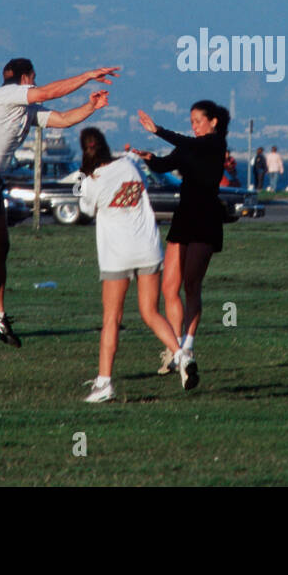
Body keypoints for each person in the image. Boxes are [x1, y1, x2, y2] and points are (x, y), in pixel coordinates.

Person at [0, 58, 117, 346]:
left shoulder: (26, 110)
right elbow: (48, 93)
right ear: (26, 78)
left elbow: (62, 120)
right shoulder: (6, 94)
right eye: (34, 78)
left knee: (0, 246)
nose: (36, 83)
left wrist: (91, 107)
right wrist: (88, 75)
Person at [77, 128, 190, 402]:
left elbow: (86, 210)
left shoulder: (93, 180)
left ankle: (104, 383)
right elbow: (144, 188)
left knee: (112, 319)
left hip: (117, 254)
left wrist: (83, 179)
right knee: (150, 311)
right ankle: (181, 354)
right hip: (148, 248)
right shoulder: (128, 165)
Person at [132, 100, 231, 389]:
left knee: (191, 284)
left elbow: (188, 143)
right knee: (168, 287)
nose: (194, 125)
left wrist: (157, 130)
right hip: (184, 218)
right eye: (191, 120)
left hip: (206, 220)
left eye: (198, 120)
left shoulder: (214, 144)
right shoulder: (190, 145)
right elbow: (168, 163)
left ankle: (187, 346)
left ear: (213, 122)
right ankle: (175, 349)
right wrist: (149, 158)